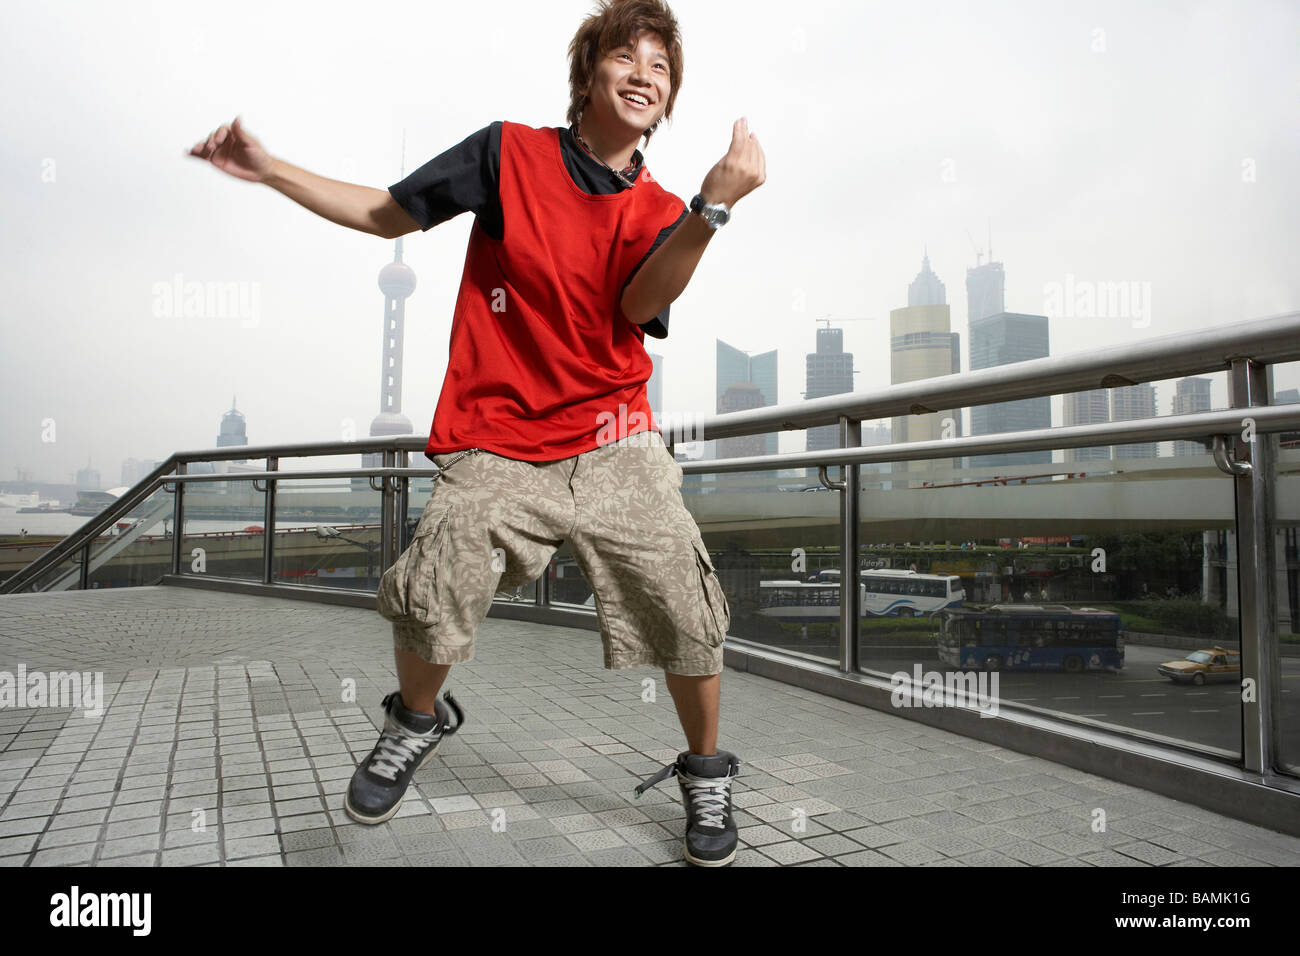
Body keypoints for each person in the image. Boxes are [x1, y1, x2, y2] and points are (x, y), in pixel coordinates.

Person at [187, 0, 764, 867]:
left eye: (662, 65)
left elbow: (639, 307)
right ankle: (415, 721)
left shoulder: (661, 211)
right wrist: (270, 168)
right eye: (628, 56)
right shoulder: (507, 154)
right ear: (589, 73)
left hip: (613, 435)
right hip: (498, 433)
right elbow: (387, 212)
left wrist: (711, 209)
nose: (647, 74)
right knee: (442, 563)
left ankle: (704, 771)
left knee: (684, 593)